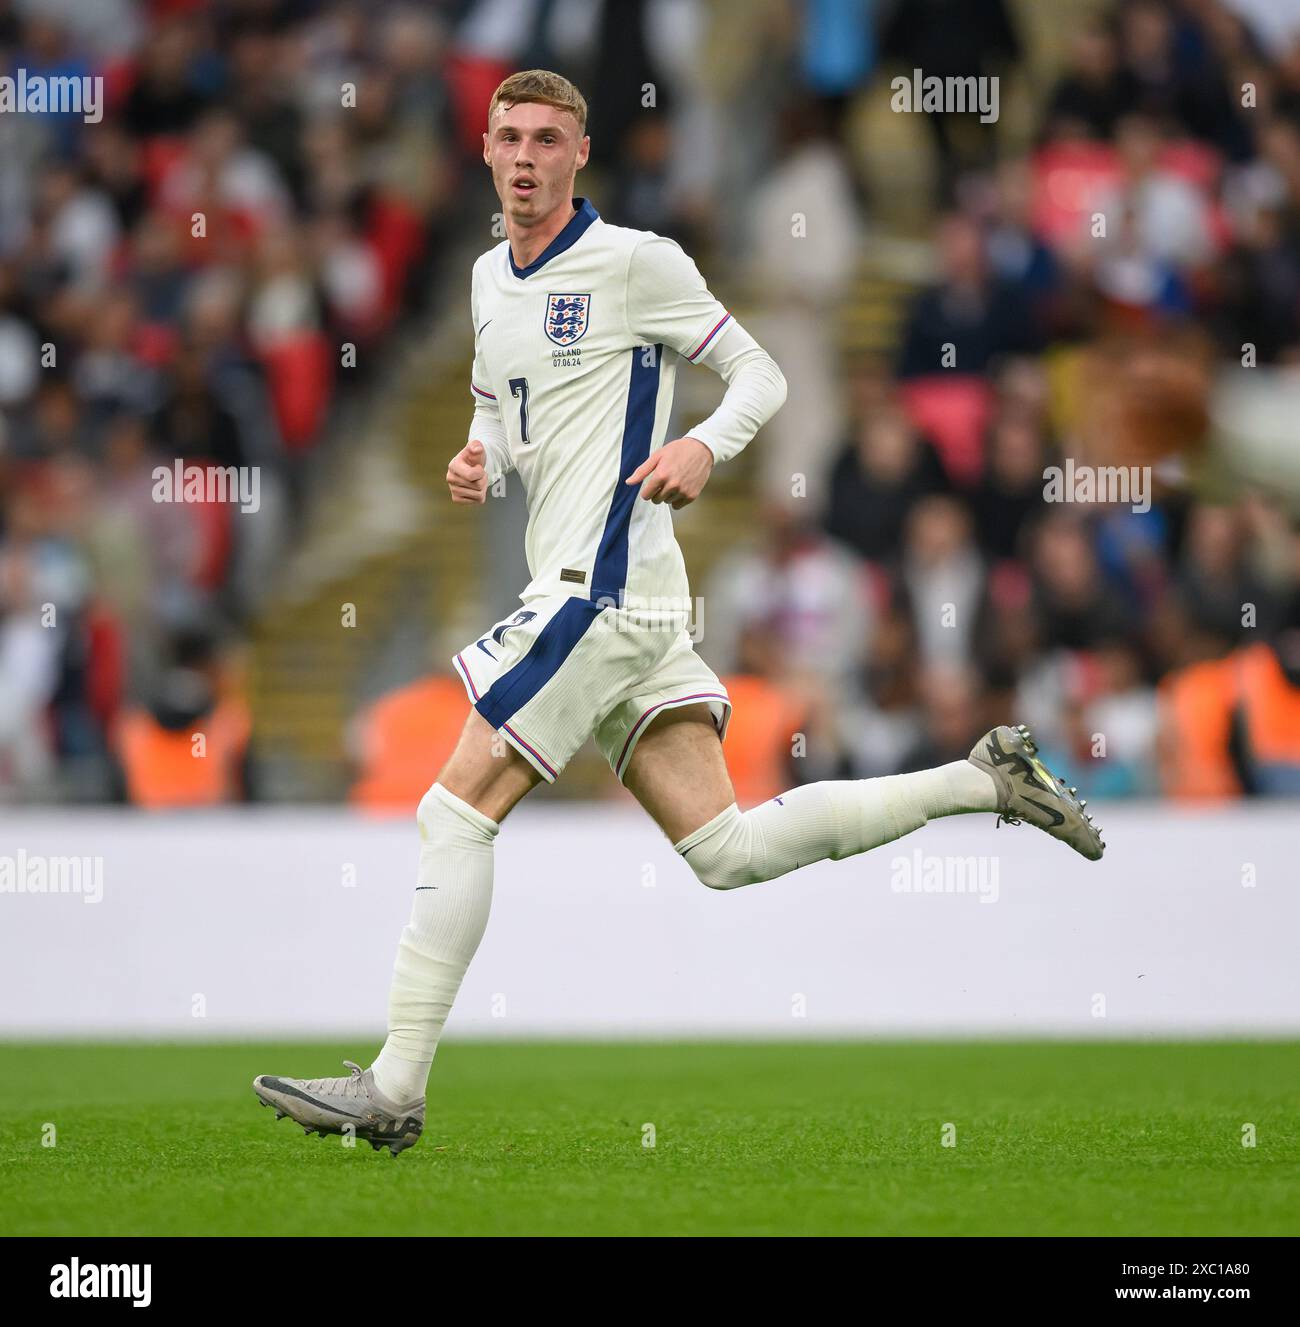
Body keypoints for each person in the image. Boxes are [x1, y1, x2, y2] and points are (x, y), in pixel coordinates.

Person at [253, 70, 1104, 1156]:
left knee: (451, 812)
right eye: (507, 136)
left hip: (596, 593)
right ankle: (980, 776)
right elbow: (496, 406)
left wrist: (706, 442)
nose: (524, 156)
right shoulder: (481, 278)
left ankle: (396, 1085)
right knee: (727, 851)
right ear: (483, 150)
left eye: (547, 139)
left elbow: (759, 376)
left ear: (578, 153)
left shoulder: (635, 262)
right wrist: (479, 457)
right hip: (625, 602)